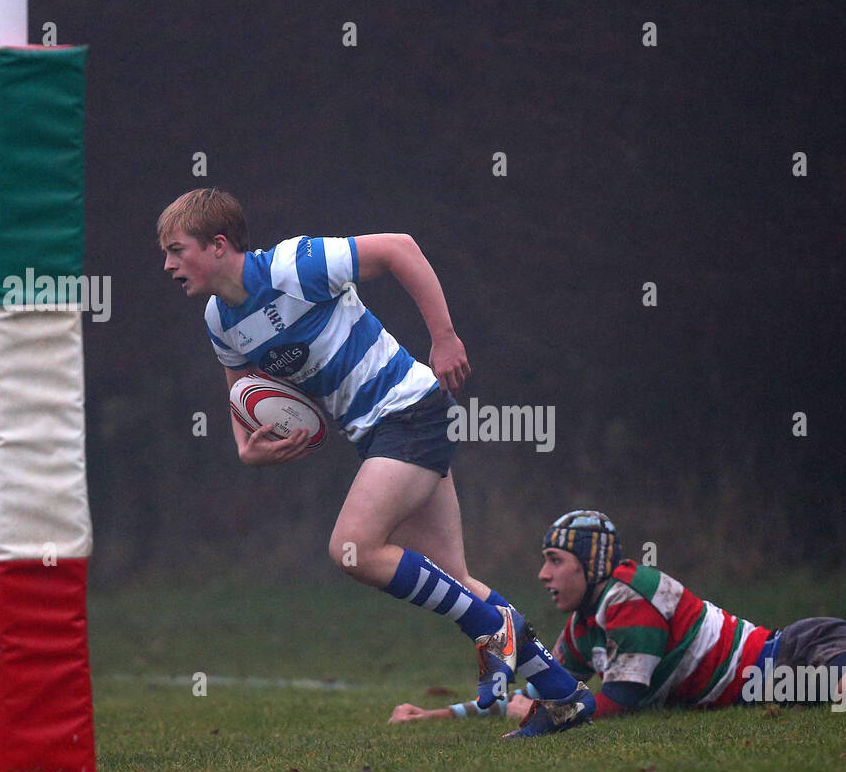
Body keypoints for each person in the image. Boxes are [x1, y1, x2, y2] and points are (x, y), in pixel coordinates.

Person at [157, 188, 585, 708]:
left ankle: (494, 629)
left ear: (219, 245)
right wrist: (247, 447)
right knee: (456, 578)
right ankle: (565, 697)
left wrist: (444, 336)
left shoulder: (295, 264)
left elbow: (399, 248)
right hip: (376, 434)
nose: (168, 264)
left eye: (177, 249)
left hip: (410, 410)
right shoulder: (219, 321)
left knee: (351, 549)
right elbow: (241, 390)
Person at [388, 442, 846, 737]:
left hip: (798, 663)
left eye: (553, 561)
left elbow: (618, 702)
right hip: (796, 664)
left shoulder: (628, 598)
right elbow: (549, 687)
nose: (542, 575)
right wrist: (438, 715)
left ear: (589, 564)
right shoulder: (587, 626)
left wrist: (536, 716)